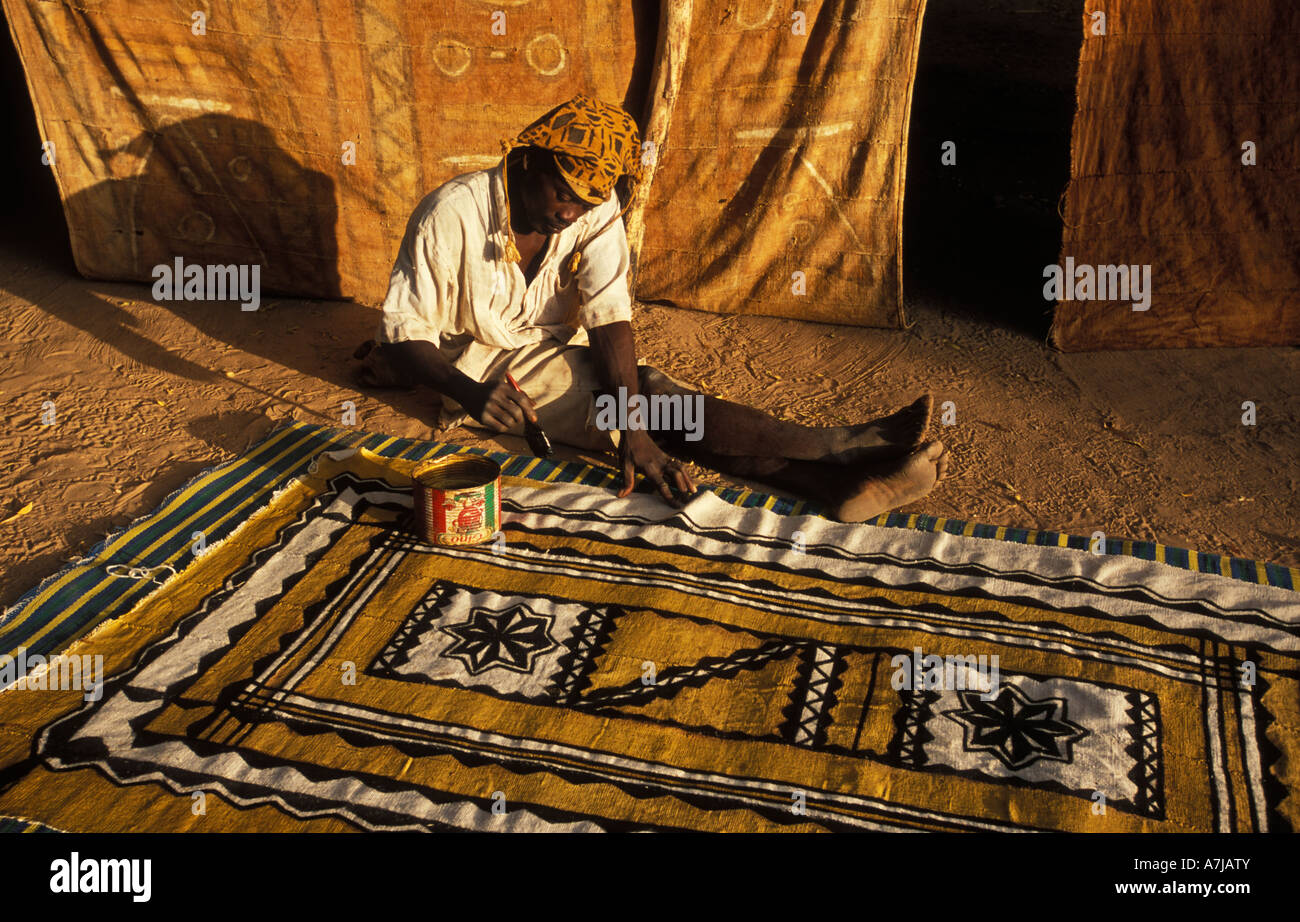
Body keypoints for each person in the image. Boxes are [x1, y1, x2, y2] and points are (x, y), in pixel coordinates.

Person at [354, 95, 949, 520]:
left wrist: (631, 428)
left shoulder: (594, 207)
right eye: (562, 194)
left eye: (585, 202)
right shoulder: (449, 213)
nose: (570, 213)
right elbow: (405, 337)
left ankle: (834, 486)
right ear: (530, 161)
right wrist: (470, 394)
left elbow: (611, 318)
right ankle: (841, 446)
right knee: (662, 408)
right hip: (478, 364)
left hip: (556, 347)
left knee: (655, 416)